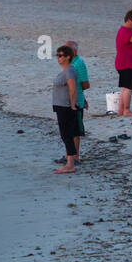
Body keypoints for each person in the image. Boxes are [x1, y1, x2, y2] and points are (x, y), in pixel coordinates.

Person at [52, 44, 81, 174]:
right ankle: (70, 161)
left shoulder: (69, 70)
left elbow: (73, 88)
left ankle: (70, 164)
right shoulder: (65, 70)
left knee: (67, 135)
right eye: (57, 55)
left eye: (61, 55)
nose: (58, 58)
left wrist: (73, 105)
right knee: (66, 135)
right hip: (60, 106)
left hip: (66, 107)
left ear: (68, 57)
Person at [63, 39, 89, 162]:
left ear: (74, 51)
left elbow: (85, 84)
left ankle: (75, 156)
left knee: (76, 131)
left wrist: (82, 98)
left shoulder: (79, 63)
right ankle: (68, 155)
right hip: (67, 101)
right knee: (67, 130)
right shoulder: (69, 63)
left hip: (76, 102)